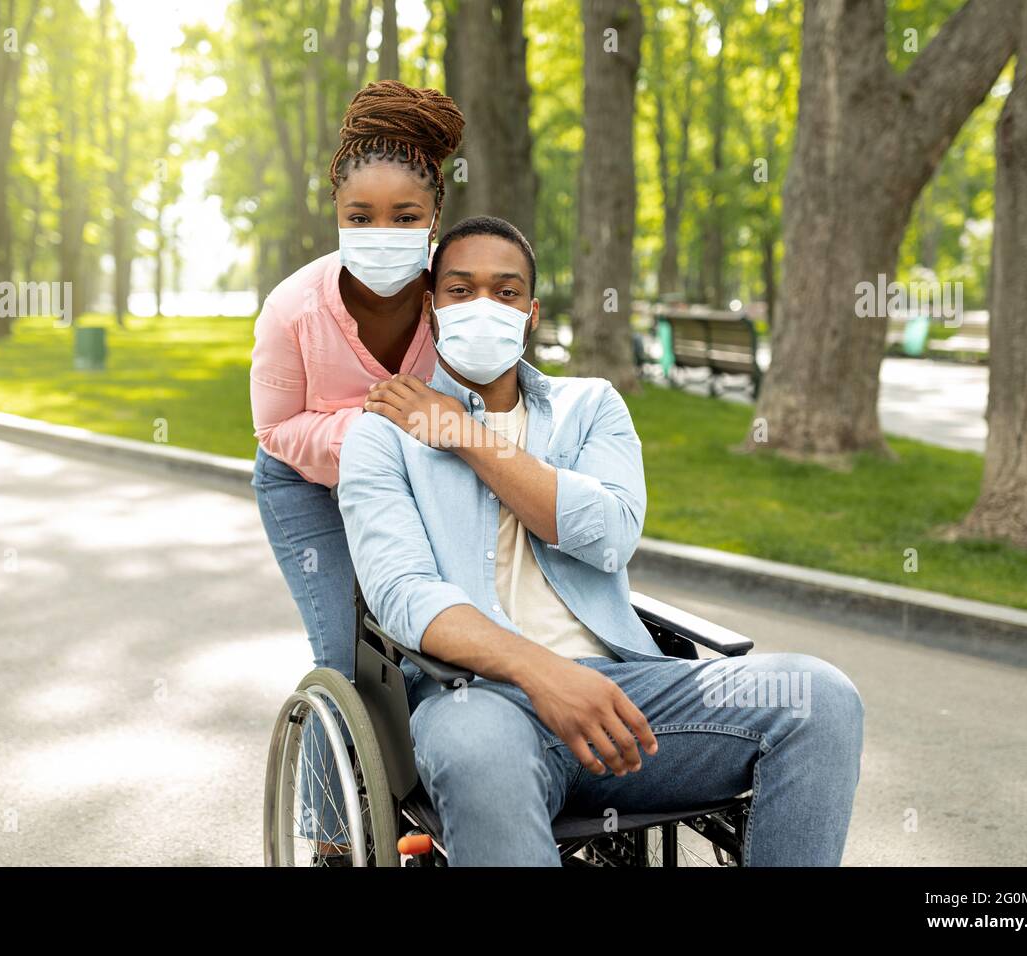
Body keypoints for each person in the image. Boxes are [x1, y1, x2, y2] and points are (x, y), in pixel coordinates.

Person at [337, 216, 866, 866]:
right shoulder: (381, 433)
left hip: (627, 694)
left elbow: (609, 534)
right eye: (461, 289)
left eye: (505, 293)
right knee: (480, 748)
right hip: (474, 699)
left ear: (531, 313)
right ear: (430, 307)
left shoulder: (591, 407)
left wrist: (469, 437)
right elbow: (405, 595)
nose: (483, 307)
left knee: (820, 698)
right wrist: (544, 674)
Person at [249, 80, 463, 857]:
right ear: (336, 218)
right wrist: (381, 427)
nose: (383, 231)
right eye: (360, 217)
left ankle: (435, 814)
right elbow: (275, 431)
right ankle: (333, 843)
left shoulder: (455, 299)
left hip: (417, 493)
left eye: (405, 218)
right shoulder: (293, 311)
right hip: (307, 490)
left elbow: (485, 407)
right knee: (344, 658)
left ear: (433, 219)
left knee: (431, 647)